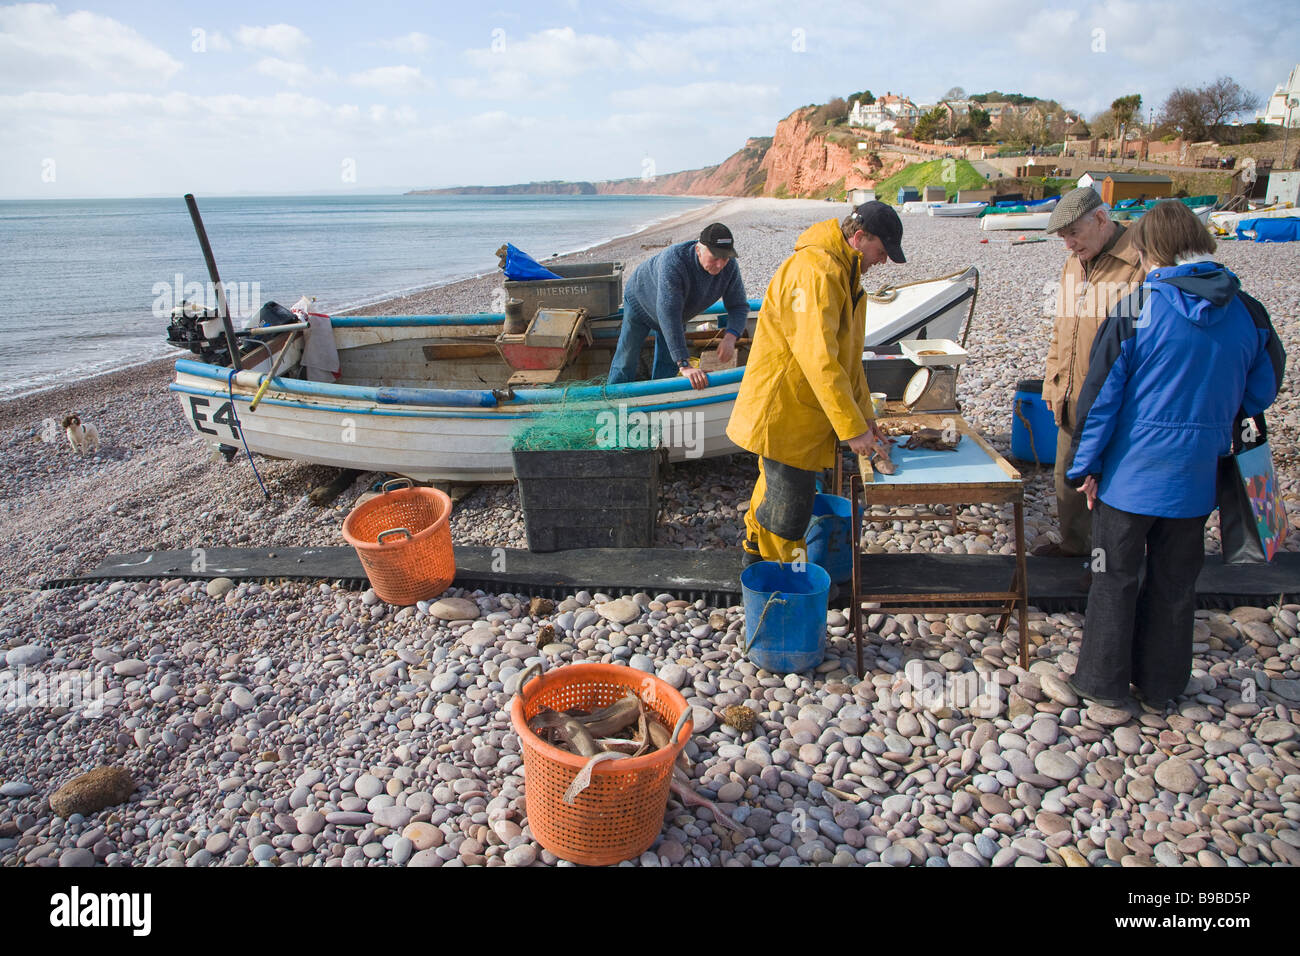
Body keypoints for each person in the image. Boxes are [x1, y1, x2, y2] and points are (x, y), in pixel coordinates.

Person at [1065, 200, 1284, 706]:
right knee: (1175, 584)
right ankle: (1162, 687)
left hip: (1129, 477)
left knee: (1111, 576)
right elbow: (1262, 389)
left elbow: (1100, 401)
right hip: (1195, 480)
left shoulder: (1137, 308)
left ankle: (1102, 682)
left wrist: (1085, 467)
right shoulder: (1249, 312)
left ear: (1148, 252)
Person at [726, 201, 903, 565]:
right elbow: (819, 359)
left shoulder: (844, 275)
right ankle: (786, 584)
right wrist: (852, 429)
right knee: (789, 510)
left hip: (799, 411)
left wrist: (864, 416)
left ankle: (753, 557)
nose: (883, 260)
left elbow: (849, 362)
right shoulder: (816, 272)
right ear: (858, 238)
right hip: (784, 411)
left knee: (773, 489)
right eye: (881, 251)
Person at [1037, 186, 1145, 559]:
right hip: (1071, 395)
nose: (1068, 244)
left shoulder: (1140, 264)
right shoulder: (1073, 264)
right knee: (1067, 478)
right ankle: (1074, 547)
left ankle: (1108, 565)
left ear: (1101, 219)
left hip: (1114, 403)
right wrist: (1053, 385)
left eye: (1073, 234)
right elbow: (1062, 329)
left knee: (1111, 487)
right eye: (1062, 236)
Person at [607, 223, 749, 390]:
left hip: (678, 309)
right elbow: (668, 313)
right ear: (698, 250)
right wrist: (685, 365)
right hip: (641, 298)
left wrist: (730, 337)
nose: (720, 264)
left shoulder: (729, 267)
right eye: (715, 257)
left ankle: (660, 398)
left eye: (725, 257)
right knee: (627, 357)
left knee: (668, 362)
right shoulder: (674, 260)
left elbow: (738, 306)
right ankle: (614, 398)